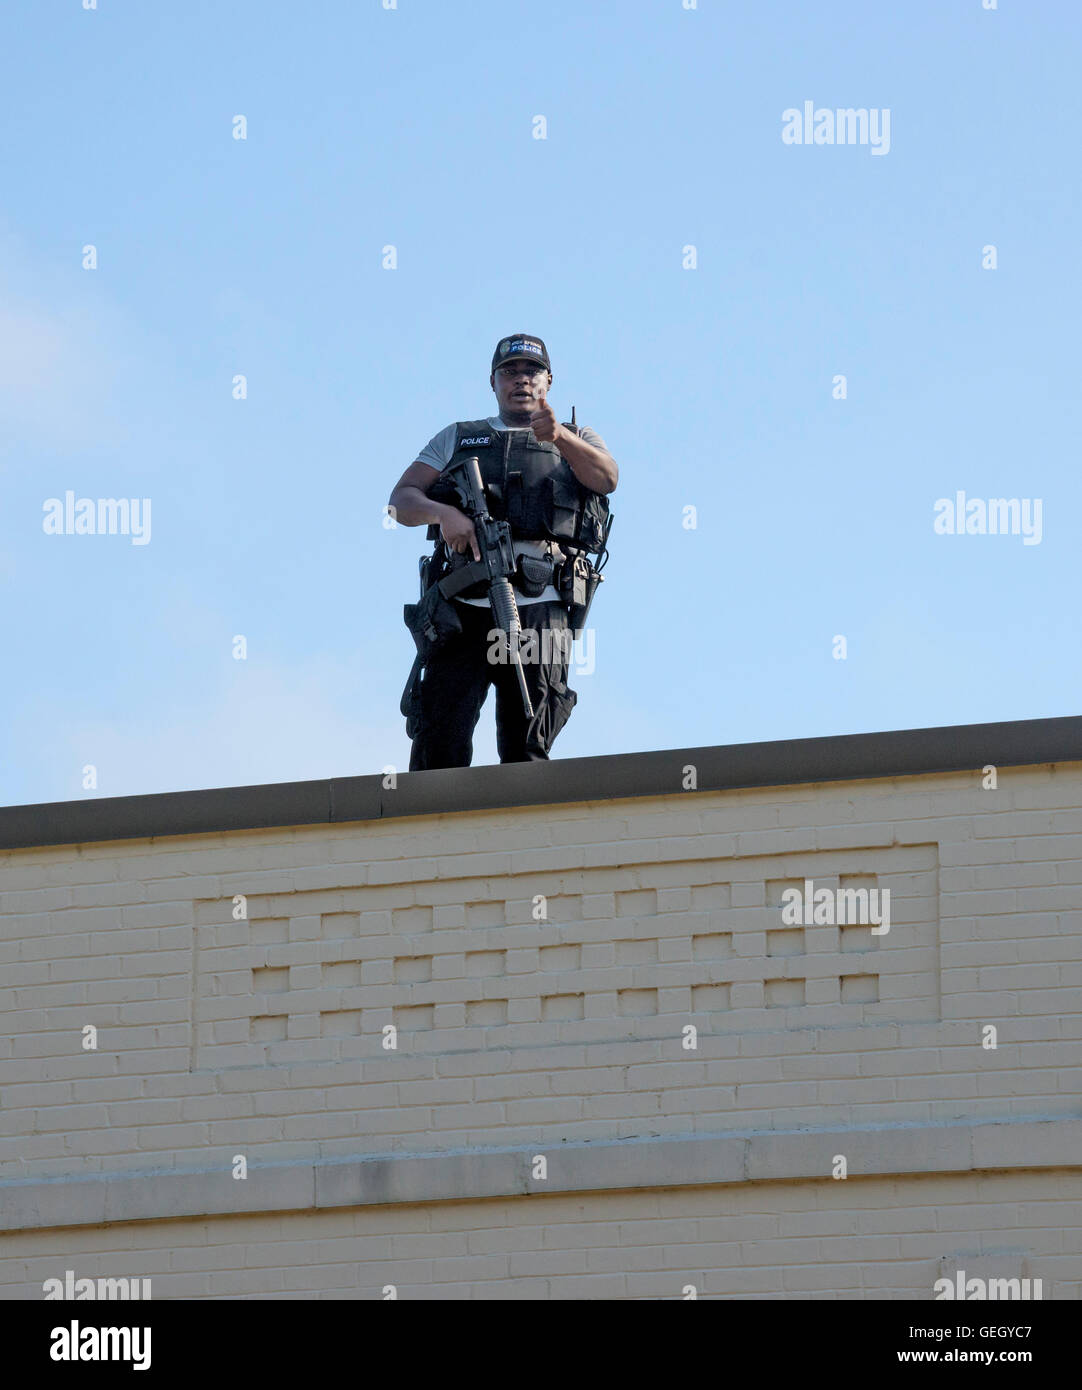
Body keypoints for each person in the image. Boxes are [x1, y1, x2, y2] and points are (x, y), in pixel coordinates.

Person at [389, 334, 618, 770]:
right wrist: (444, 516)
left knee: (527, 743)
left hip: (540, 603)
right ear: (492, 382)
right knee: (439, 742)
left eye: (531, 372)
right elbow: (400, 501)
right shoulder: (458, 437)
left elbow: (607, 478)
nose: (521, 381)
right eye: (509, 372)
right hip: (461, 609)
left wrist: (561, 441)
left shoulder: (578, 436)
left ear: (548, 381)